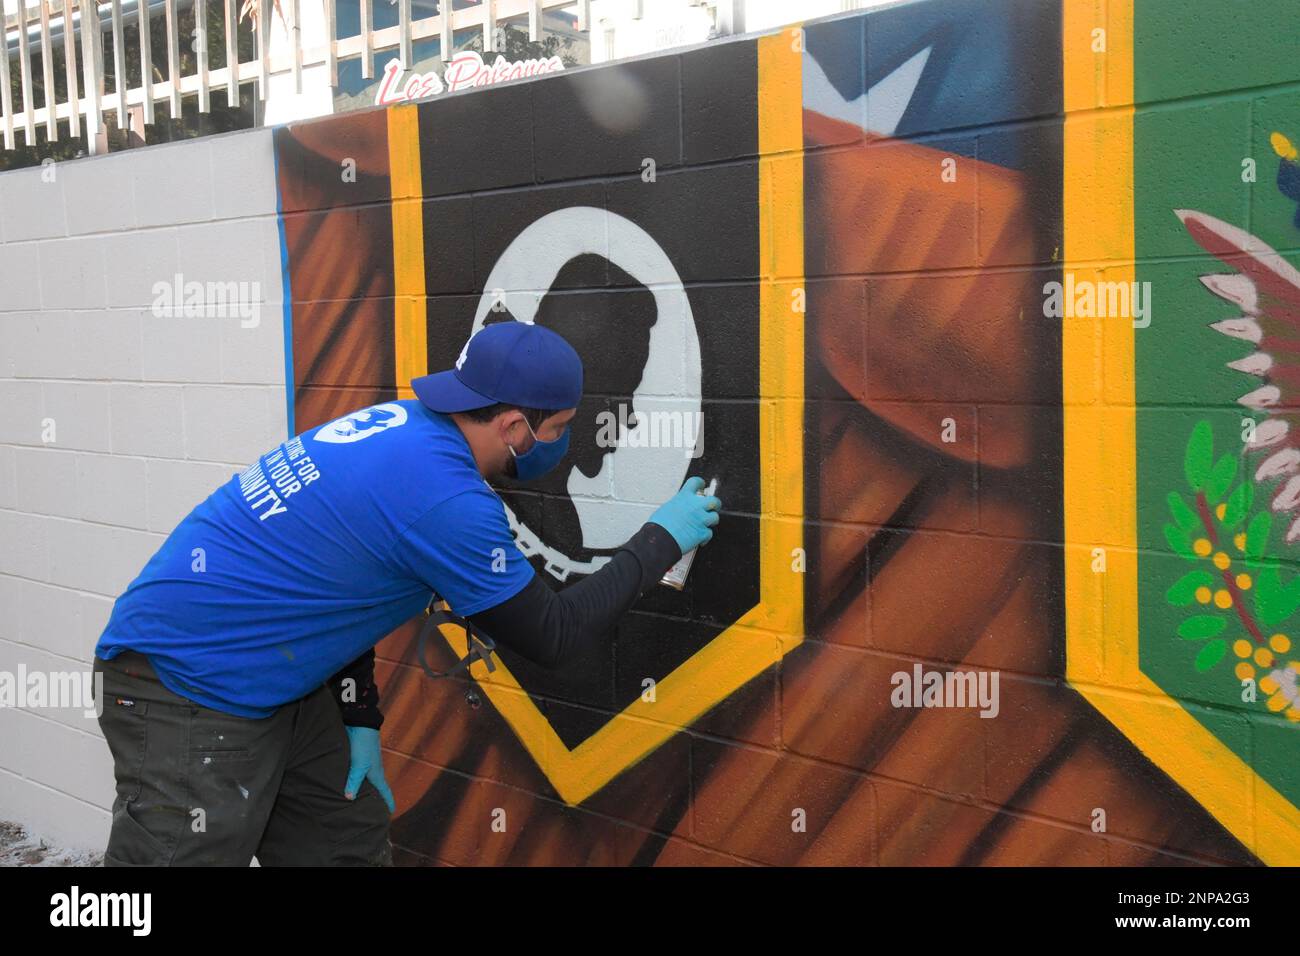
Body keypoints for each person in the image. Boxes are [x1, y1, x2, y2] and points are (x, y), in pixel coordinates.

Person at [91, 321, 722, 866]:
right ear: (512, 426)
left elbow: (341, 578)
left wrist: (358, 713)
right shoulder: (448, 499)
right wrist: (658, 541)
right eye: (556, 428)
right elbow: (552, 635)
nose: (560, 442)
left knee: (342, 843)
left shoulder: (405, 422)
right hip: (184, 679)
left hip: (275, 675)